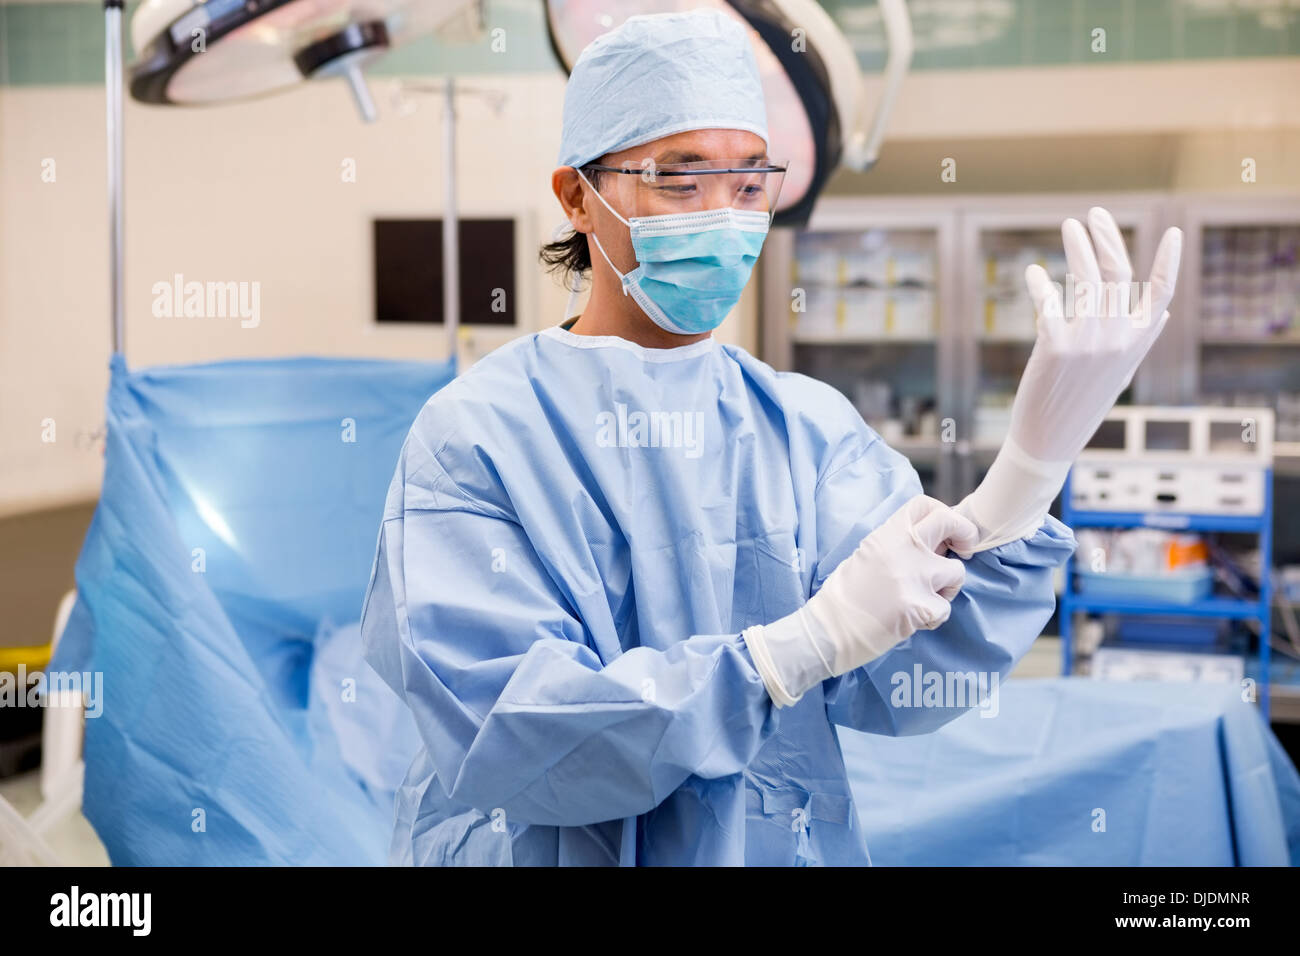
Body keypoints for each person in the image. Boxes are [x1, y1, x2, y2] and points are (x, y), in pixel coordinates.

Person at [360, 8, 1182, 866]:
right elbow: (511, 733)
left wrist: (1029, 468)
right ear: (576, 197)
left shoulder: (805, 430)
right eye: (681, 182)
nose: (723, 216)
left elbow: (919, 669)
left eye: (750, 185)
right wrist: (788, 654)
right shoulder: (475, 438)